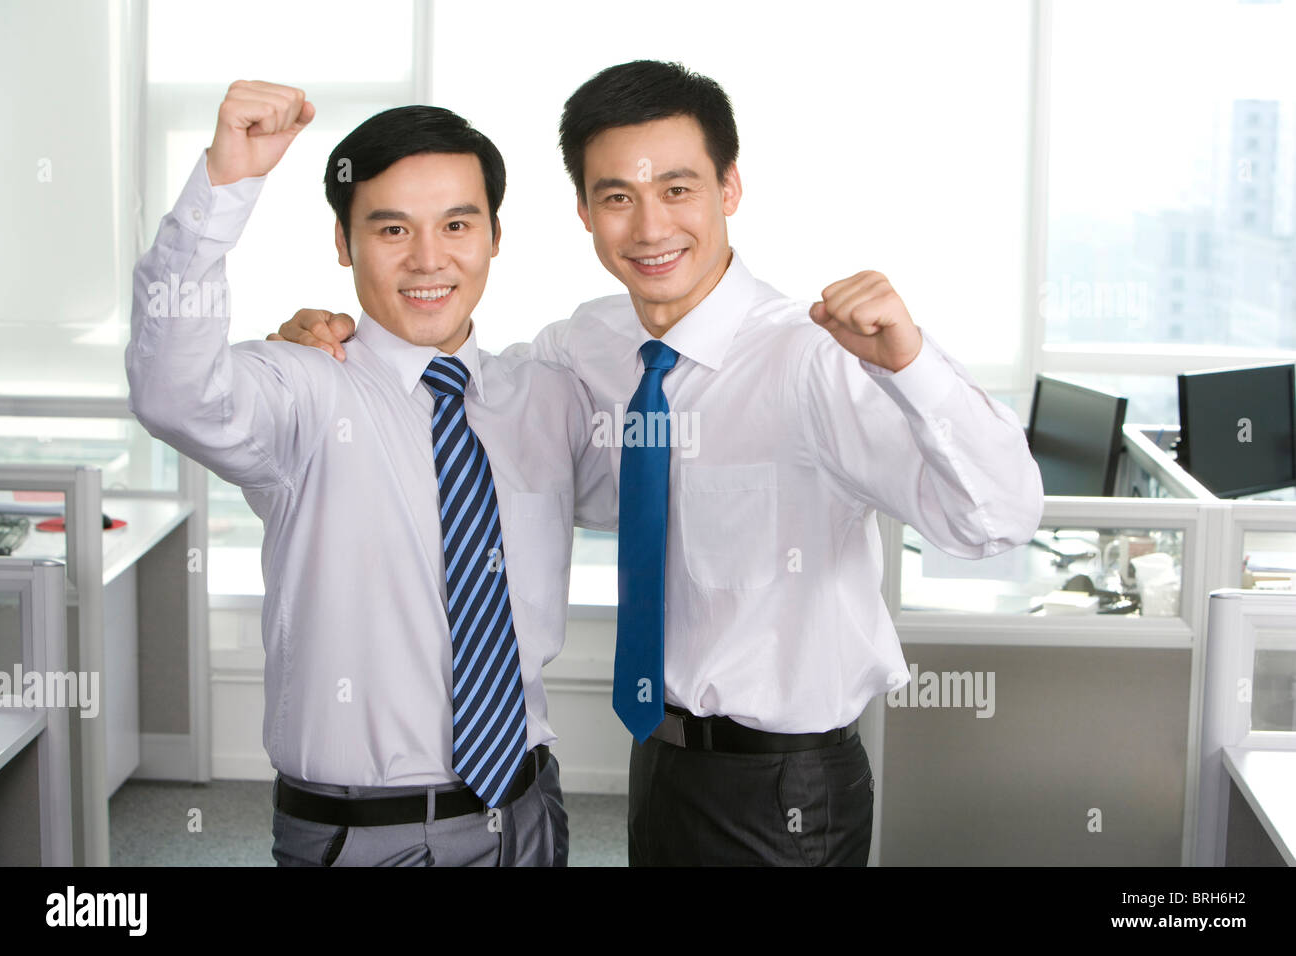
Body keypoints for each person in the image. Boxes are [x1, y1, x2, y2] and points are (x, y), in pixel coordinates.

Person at [273, 60, 1045, 866]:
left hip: (782, 784)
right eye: (617, 197)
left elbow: (997, 519)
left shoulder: (814, 360)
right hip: (661, 756)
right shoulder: (590, 345)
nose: (649, 228)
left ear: (729, 189)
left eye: (677, 189)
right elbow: (467, 393)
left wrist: (913, 364)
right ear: (583, 212)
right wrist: (337, 344)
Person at [126, 81, 615, 866]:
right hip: (367, 839)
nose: (429, 258)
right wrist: (224, 185)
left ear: (494, 235)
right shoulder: (303, 386)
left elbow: (674, 469)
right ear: (344, 243)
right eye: (392, 229)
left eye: (457, 224)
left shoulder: (543, 396)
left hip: (526, 813)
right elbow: (173, 391)